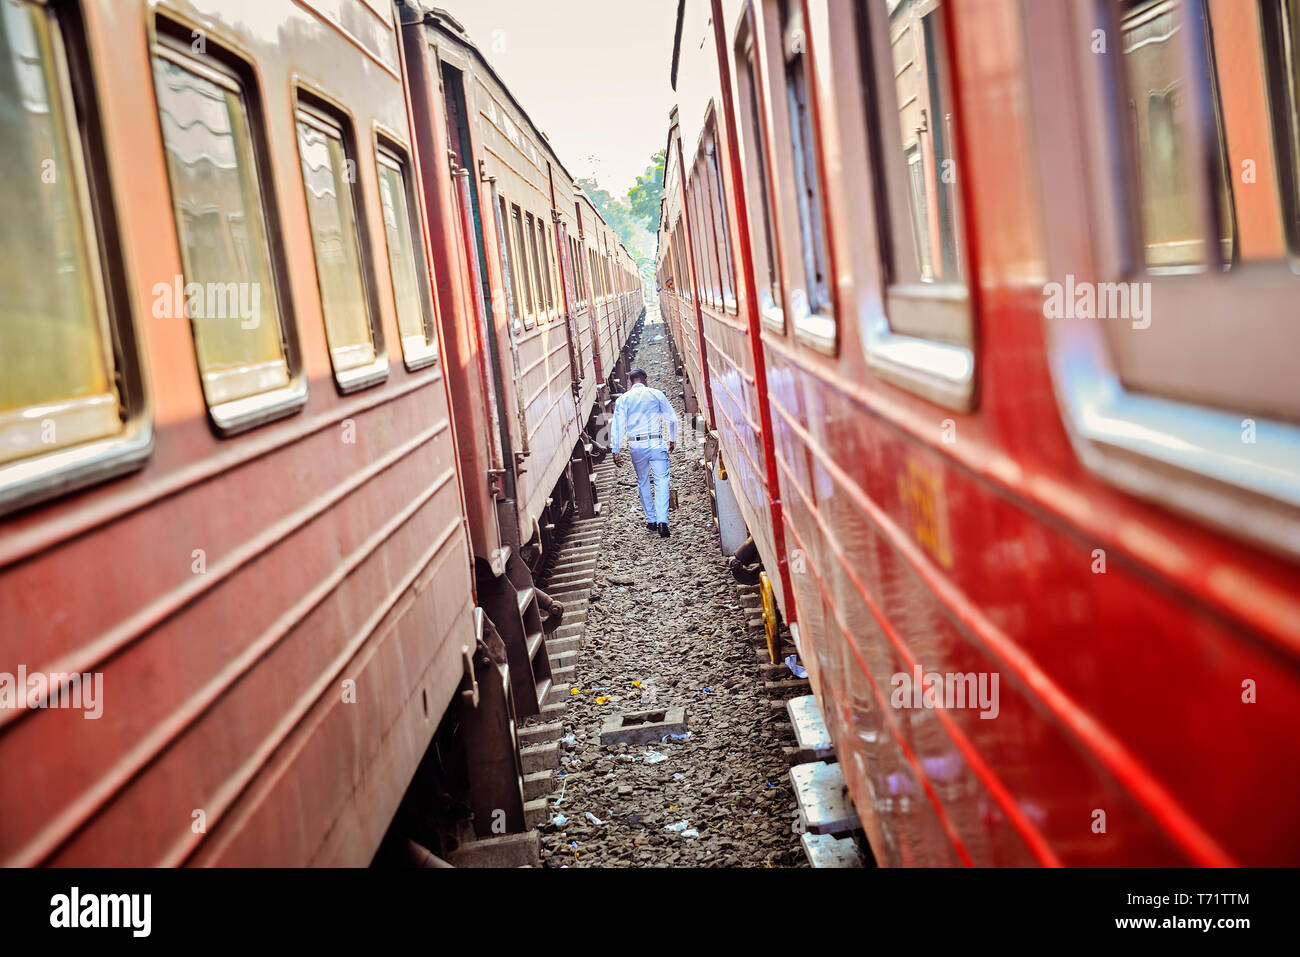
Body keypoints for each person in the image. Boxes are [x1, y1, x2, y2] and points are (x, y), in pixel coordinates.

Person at [611, 369, 677, 537]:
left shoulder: (623, 399)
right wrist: (672, 439)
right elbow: (672, 419)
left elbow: (617, 425)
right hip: (656, 442)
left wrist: (616, 450)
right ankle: (663, 522)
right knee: (662, 481)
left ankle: (651, 520)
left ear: (630, 382)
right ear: (645, 380)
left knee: (643, 480)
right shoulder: (656, 394)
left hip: (636, 445)